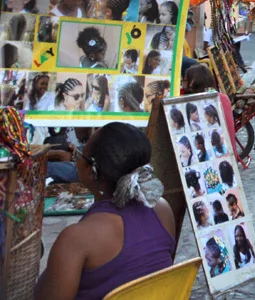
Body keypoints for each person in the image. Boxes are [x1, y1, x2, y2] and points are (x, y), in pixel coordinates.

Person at [34, 122, 175, 300]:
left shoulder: (77, 239)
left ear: (92, 171)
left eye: (80, 155)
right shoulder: (162, 209)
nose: (76, 160)